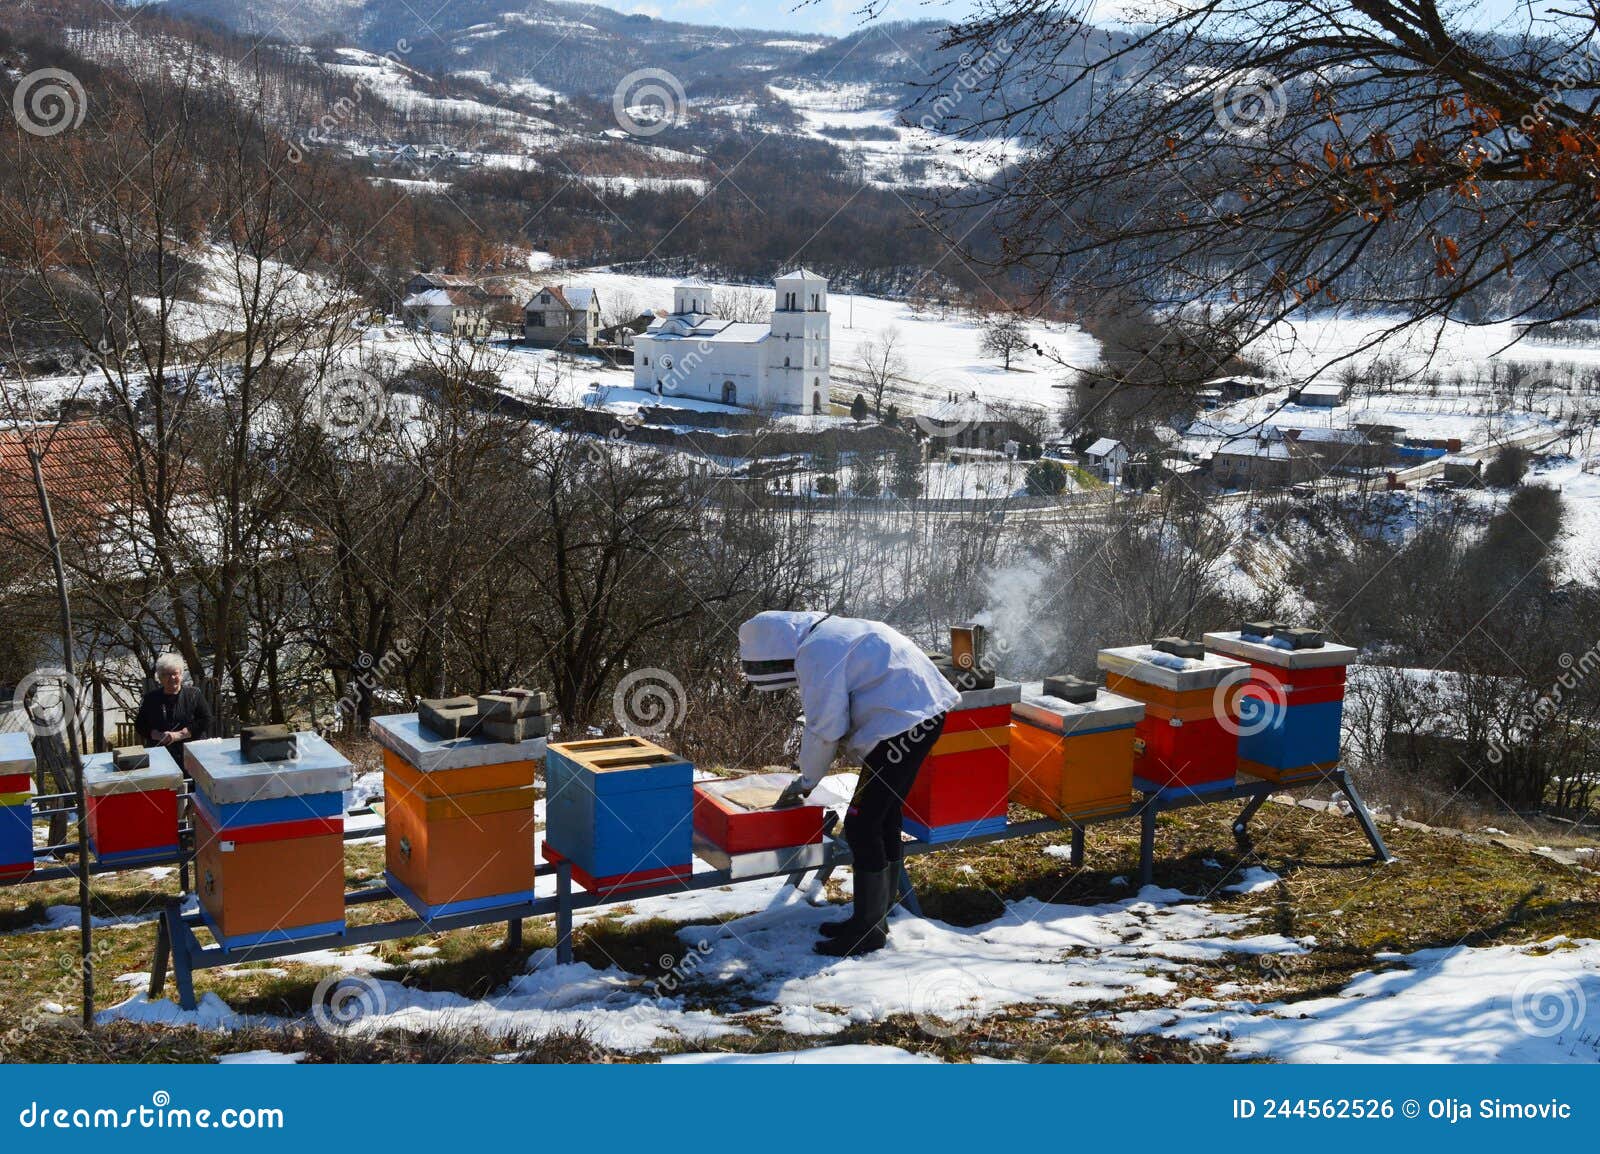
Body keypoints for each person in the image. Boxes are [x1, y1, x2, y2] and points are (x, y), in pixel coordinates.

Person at [739, 611, 959, 957]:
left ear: (771, 650)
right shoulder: (830, 632)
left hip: (902, 726)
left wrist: (806, 781)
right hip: (919, 717)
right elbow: (838, 714)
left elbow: (824, 728)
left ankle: (868, 930)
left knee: (861, 822)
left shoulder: (816, 650)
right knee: (882, 816)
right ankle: (875, 915)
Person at [134, 653, 212, 766]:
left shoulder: (194, 694)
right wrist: (158, 735)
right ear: (160, 677)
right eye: (166, 674)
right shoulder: (150, 699)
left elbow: (206, 719)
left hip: (193, 754)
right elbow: (140, 725)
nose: (172, 678)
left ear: (181, 675)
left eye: (175, 673)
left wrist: (181, 734)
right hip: (161, 756)